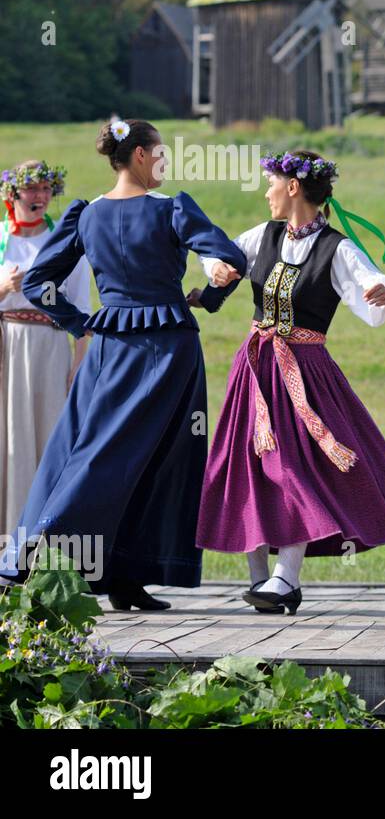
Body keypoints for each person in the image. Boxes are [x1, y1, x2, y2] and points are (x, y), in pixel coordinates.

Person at [0, 118, 246, 610]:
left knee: (85, 449)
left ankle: (121, 577)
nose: (163, 163)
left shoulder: (85, 215)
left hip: (111, 345)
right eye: (159, 153)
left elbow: (41, 278)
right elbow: (230, 257)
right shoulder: (173, 208)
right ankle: (34, 552)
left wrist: (78, 322)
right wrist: (212, 292)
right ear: (139, 155)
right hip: (167, 349)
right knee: (146, 459)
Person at [193, 150, 385, 615]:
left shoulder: (335, 248)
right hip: (256, 368)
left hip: (305, 372)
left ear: (293, 187)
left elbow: (382, 285)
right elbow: (221, 255)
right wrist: (215, 269)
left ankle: (286, 577)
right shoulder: (264, 235)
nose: (266, 192)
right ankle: (261, 577)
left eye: (271, 184)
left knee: (294, 467)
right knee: (248, 465)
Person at [0, 161, 90, 537]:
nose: (39, 197)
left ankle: (45, 542)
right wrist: (4, 287)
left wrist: (79, 364)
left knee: (51, 434)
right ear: (13, 193)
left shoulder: (66, 242)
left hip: (52, 344)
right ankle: (8, 537)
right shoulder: (2, 237)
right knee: (11, 438)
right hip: (7, 345)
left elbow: (83, 312)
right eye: (31, 189)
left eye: (46, 189)